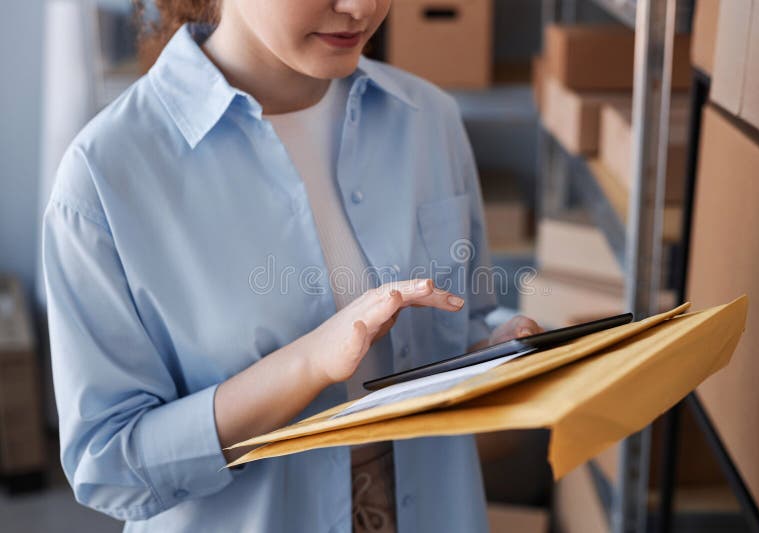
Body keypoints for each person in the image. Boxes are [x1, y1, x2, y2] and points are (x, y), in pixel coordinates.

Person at [41, 1, 541, 531]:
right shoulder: (104, 178)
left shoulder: (428, 118)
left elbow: (463, 321)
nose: (362, 7)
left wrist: (494, 347)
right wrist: (308, 365)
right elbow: (108, 465)